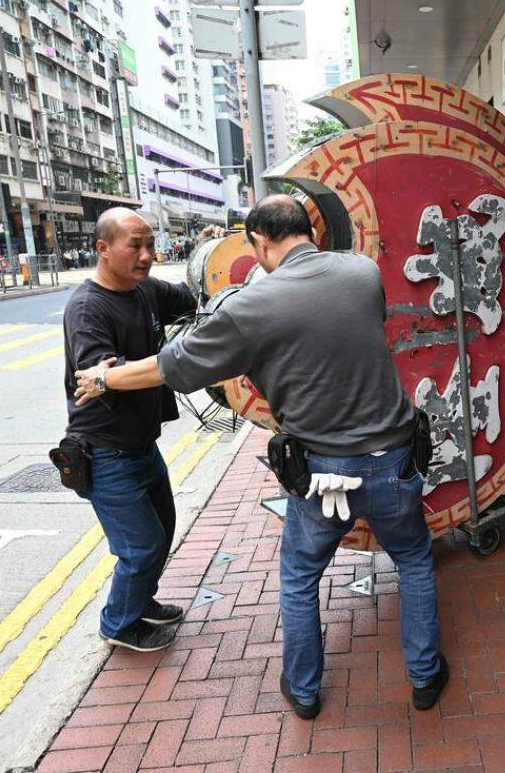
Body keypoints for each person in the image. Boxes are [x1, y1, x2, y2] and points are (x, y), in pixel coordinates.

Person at [71, 195, 447, 720]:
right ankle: (426, 677)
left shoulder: (253, 306)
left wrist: (105, 377)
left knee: (299, 576)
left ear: (260, 242)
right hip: (394, 459)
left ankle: (305, 691)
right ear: (307, 230)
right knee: (412, 558)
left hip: (323, 474)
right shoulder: (363, 271)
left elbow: (174, 365)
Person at [61, 207, 197, 652]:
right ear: (102, 249)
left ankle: (141, 601)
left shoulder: (146, 290)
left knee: (162, 530)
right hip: (105, 450)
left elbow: (195, 297)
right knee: (140, 547)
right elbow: (100, 372)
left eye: (150, 245)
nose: (146, 255)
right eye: (134, 246)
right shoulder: (88, 308)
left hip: (141, 443)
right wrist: (171, 362)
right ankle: (119, 623)